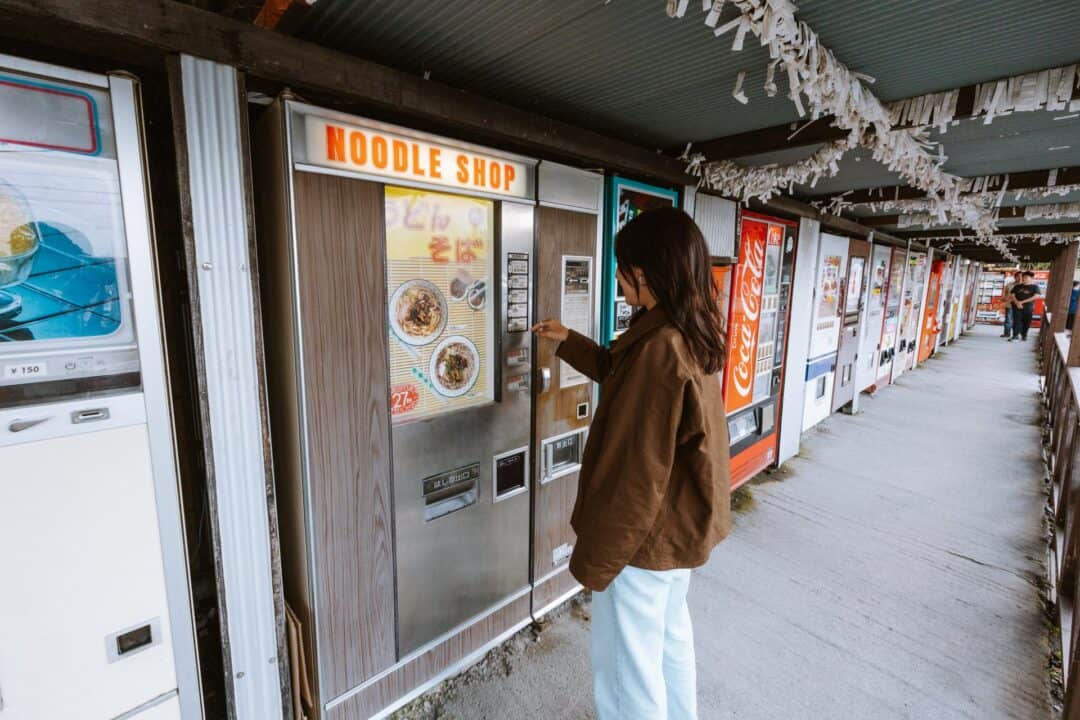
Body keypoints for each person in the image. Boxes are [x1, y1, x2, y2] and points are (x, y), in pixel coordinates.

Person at [532, 207, 730, 720]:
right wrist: (568, 342)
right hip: (678, 531)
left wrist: (598, 561)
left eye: (622, 272)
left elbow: (636, 473)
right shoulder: (686, 326)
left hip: (643, 541)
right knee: (668, 645)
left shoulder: (661, 347)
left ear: (646, 274)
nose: (618, 282)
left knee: (627, 671)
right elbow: (620, 371)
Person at [1008, 270, 1042, 342]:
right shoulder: (1017, 286)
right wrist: (1017, 302)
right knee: (1016, 321)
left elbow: (1036, 296)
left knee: (1026, 321)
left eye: (1026, 277)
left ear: (1031, 278)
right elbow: (1012, 295)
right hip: (1016, 306)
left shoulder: (1035, 287)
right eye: (1023, 277)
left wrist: (1022, 302)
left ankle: (1024, 334)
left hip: (1028, 307)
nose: (1024, 278)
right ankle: (1015, 335)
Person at [1000, 271, 1018, 338]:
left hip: (1019, 305)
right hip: (1009, 304)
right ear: (1015, 277)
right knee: (1008, 319)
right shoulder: (1009, 285)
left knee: (1017, 320)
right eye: (1018, 276)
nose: (1019, 278)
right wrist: (1004, 298)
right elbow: (1005, 293)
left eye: (1021, 277)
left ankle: (1016, 335)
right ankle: (1006, 333)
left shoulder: (1023, 286)